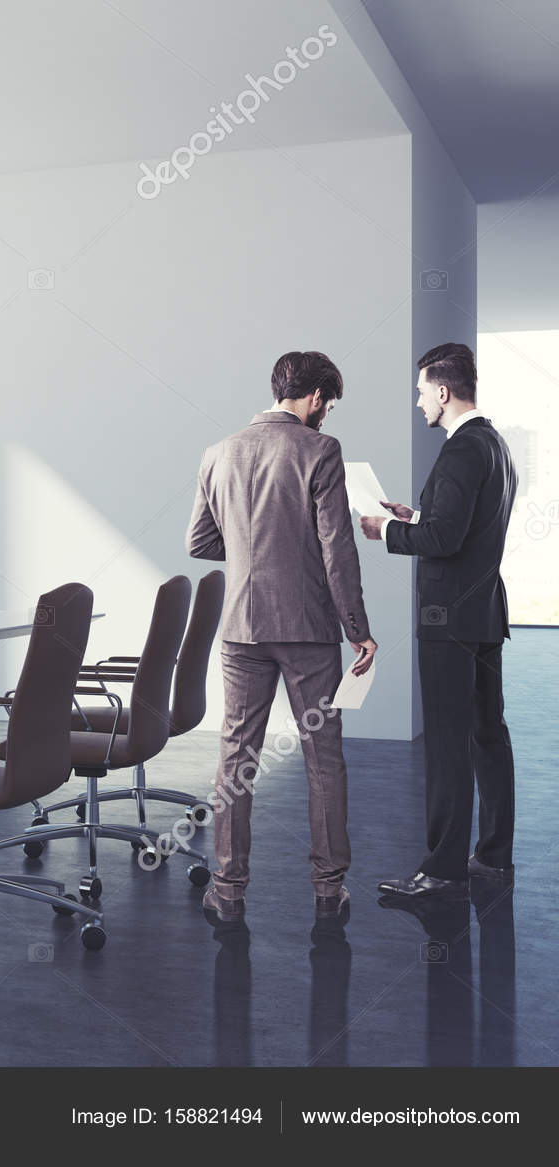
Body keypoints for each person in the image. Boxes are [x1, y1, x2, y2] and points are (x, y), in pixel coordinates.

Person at [187, 351, 376, 923]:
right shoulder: (321, 450)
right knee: (323, 758)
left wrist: (251, 549)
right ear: (316, 397)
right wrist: (359, 632)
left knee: (235, 756)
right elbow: (337, 552)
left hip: (241, 628)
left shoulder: (217, 453)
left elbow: (200, 543)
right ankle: (326, 889)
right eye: (330, 404)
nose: (328, 416)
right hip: (308, 631)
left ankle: (227, 889)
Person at [361, 343, 517, 899]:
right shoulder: (495, 446)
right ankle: (494, 856)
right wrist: (417, 515)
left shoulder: (458, 450)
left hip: (447, 617)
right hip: (483, 615)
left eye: (422, 390)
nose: (419, 400)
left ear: (444, 391)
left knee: (448, 744)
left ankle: (442, 869)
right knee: (487, 734)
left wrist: (387, 532)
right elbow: (464, 528)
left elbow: (446, 540)